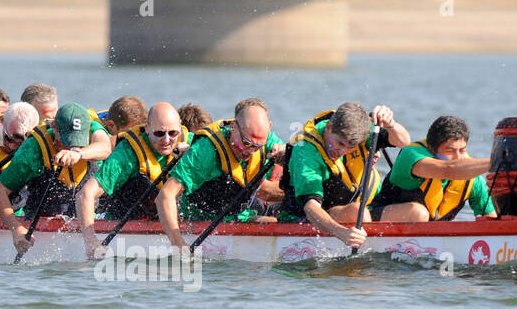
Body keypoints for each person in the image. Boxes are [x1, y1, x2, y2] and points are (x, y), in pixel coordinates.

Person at [155, 98, 285, 249]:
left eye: (258, 146)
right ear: (233, 128)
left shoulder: (265, 137)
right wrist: (178, 245)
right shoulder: (205, 150)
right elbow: (165, 196)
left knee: (290, 218)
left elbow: (297, 161)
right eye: (246, 143)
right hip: (200, 221)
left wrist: (285, 155)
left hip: (241, 216)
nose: (250, 151)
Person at [280, 102, 411, 246]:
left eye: (351, 146)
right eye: (340, 143)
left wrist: (390, 124)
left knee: (416, 212)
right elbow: (310, 207)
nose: (343, 151)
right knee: (356, 211)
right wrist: (342, 233)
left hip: (363, 208)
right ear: (329, 127)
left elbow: (404, 143)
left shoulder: (360, 132)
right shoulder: (306, 151)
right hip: (311, 217)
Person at [0, 102, 111, 255]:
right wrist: (16, 228)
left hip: (87, 222)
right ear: (54, 127)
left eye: (77, 142)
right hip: (41, 225)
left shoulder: (93, 129)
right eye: (66, 142)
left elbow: (105, 148)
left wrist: (78, 154)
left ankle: (91, 240)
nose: (71, 146)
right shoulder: (32, 149)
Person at [77, 102, 192, 258]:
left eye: (173, 133)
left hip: (183, 222)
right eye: (159, 133)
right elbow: (85, 194)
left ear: (180, 127)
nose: (166, 140)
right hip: (128, 219)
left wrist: (192, 154)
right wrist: (90, 241)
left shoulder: (194, 144)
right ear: (147, 128)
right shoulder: (127, 152)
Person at [370, 115, 497, 222]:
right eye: (450, 150)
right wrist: (498, 161)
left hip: (426, 241)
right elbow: (448, 170)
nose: (458, 157)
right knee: (418, 213)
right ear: (431, 149)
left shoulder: (472, 179)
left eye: (462, 150)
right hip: (375, 220)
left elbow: (491, 220)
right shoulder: (410, 155)